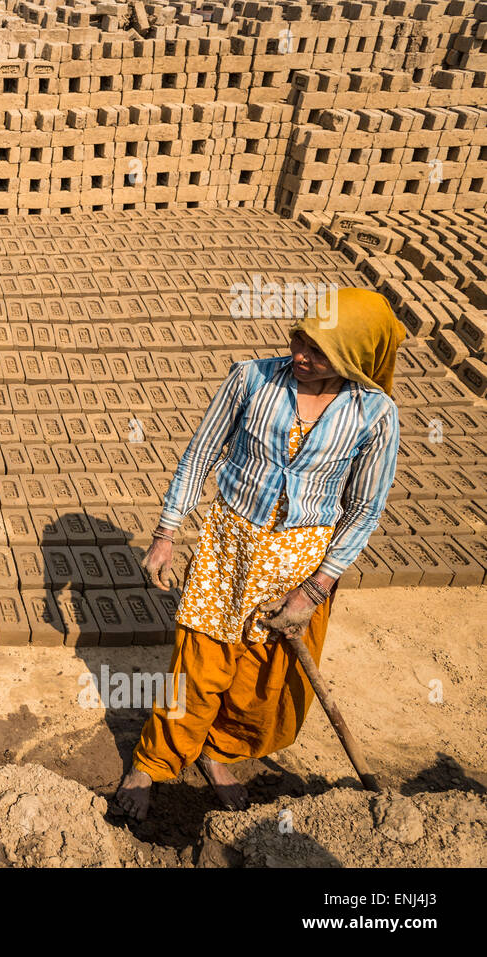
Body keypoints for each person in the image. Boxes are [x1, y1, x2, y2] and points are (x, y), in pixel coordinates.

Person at [116, 287, 404, 820]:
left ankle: (218, 752)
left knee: (263, 680)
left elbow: (365, 508)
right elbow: (201, 454)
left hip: (301, 563)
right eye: (299, 338)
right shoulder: (251, 378)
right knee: (198, 665)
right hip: (230, 548)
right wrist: (166, 532)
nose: (300, 353)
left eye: (319, 350)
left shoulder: (376, 414)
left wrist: (315, 589)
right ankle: (153, 762)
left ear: (354, 359)